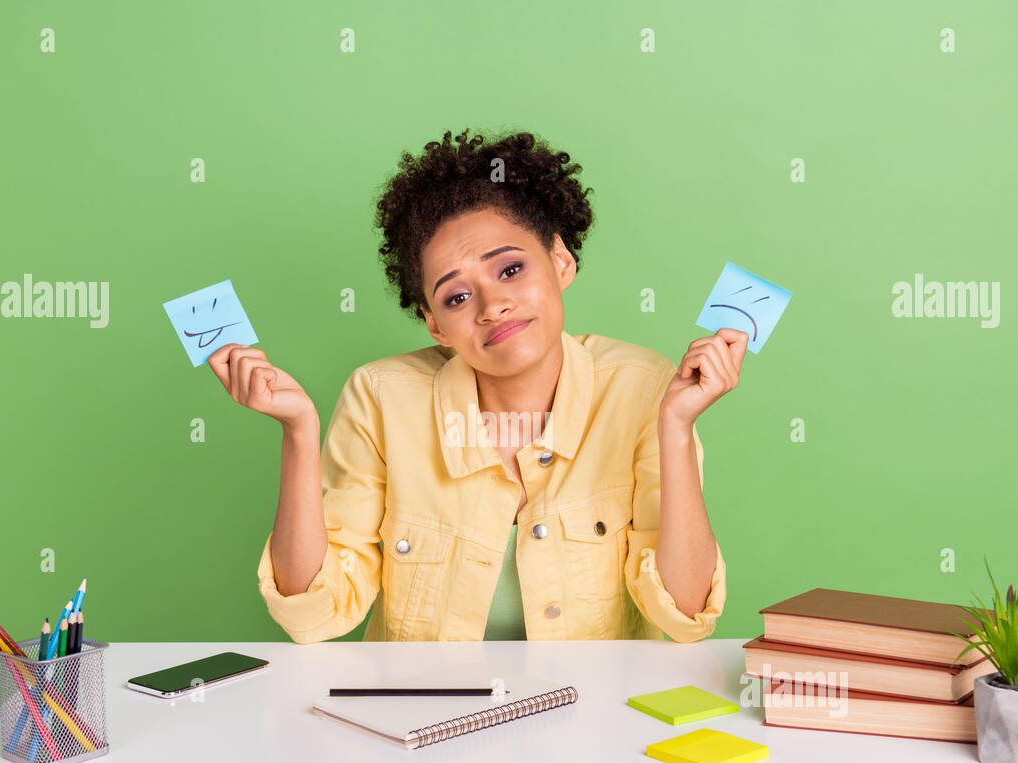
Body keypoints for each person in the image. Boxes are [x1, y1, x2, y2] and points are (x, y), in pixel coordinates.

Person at [209, 129, 747, 644]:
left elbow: (684, 615)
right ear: (435, 324)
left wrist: (676, 427)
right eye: (458, 297)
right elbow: (311, 613)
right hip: (429, 717)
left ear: (560, 260)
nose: (493, 306)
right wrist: (298, 431)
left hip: (593, 718)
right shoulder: (379, 396)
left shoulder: (646, 388)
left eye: (510, 270)